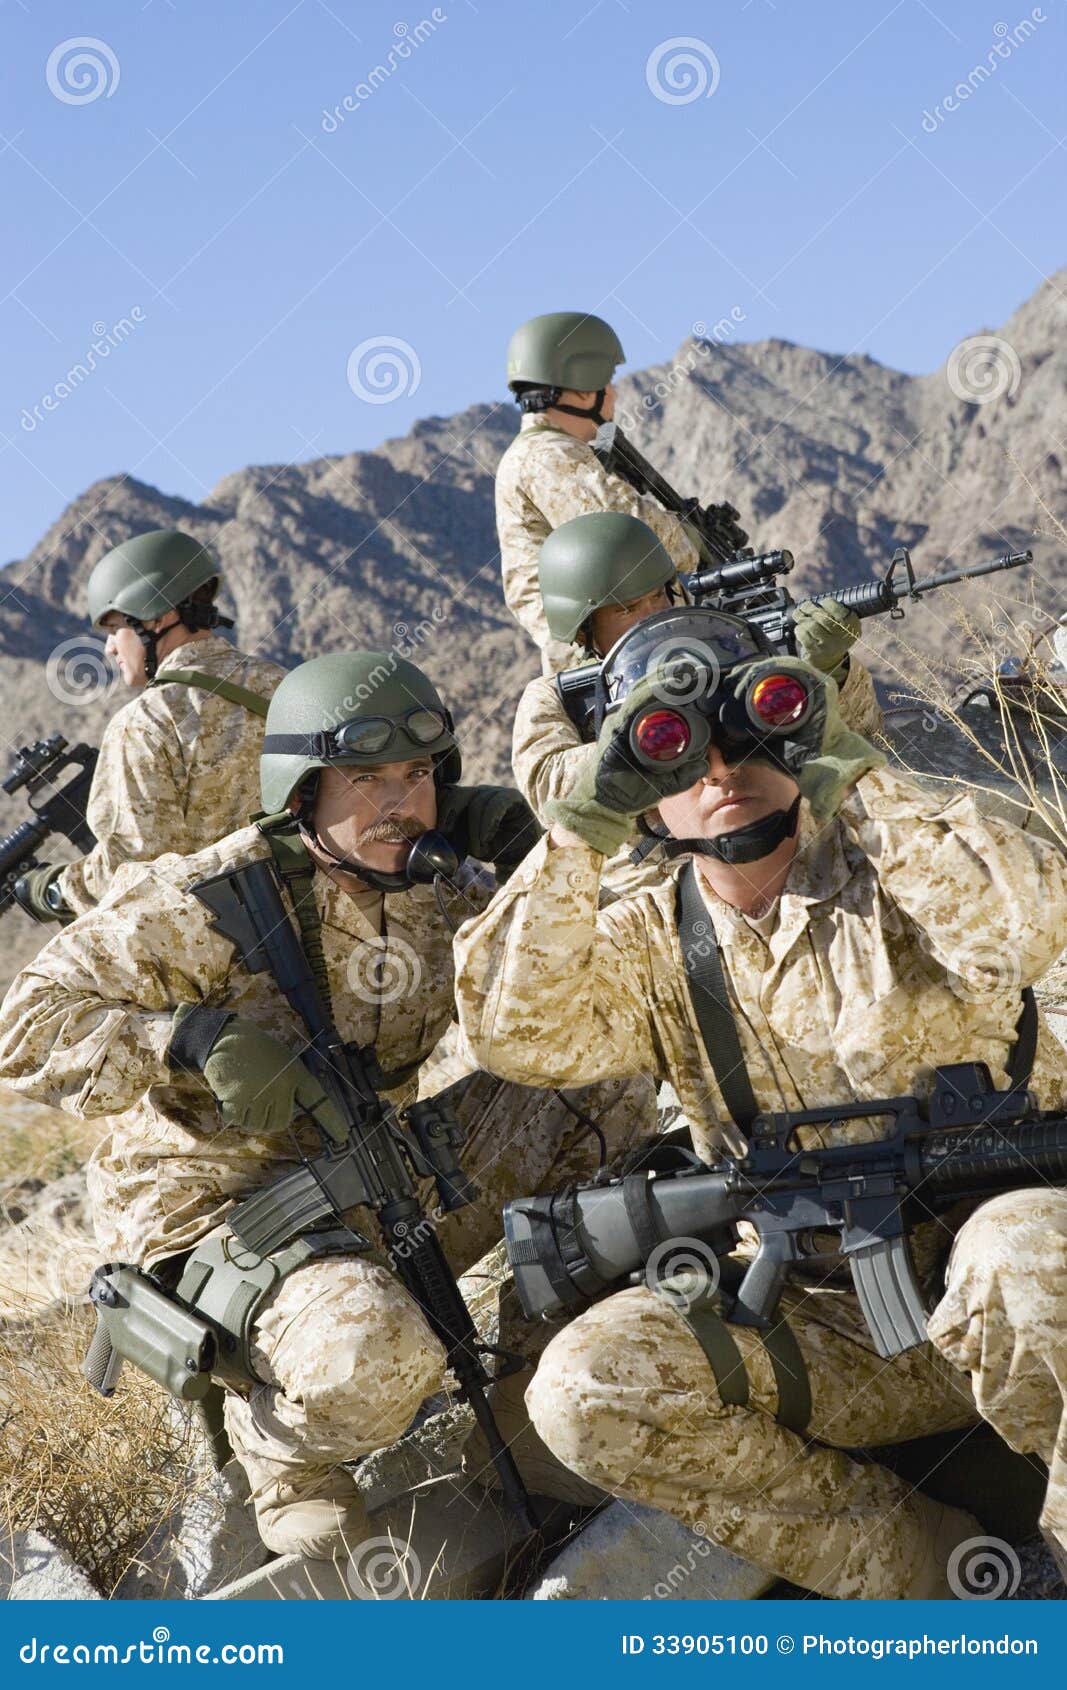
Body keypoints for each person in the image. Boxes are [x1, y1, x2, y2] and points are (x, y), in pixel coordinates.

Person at [453, 606, 1067, 1599]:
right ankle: (952, 1584)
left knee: (1024, 1255)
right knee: (584, 1386)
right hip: (830, 1321)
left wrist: (847, 763)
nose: (715, 770)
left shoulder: (900, 866)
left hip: (1008, 1285)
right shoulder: (654, 938)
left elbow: (1023, 923)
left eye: (747, 734)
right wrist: (585, 821)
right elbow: (509, 1025)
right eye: (673, 752)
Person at [0, 652, 655, 1558]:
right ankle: (281, 1452)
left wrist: (541, 851)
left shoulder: (437, 878)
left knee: (603, 1087)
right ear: (302, 792)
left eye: (418, 775)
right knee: (376, 1363)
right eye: (366, 779)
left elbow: (623, 932)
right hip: (227, 1212)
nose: (400, 802)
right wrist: (187, 1041)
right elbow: (25, 1026)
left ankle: (523, 1404)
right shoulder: (210, 898)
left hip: (374, 1168)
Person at [513, 511, 882, 899]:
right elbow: (548, 790)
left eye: (658, 595)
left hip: (787, 857)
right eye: (627, 608)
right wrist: (658, 733)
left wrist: (828, 672)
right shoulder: (554, 697)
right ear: (584, 627)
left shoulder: (728, 645)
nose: (653, 614)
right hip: (647, 892)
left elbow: (866, 734)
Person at [12, 529, 284, 922]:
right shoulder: (283, 684)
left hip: (224, 957)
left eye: (113, 629)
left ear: (155, 616)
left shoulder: (147, 722)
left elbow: (135, 874)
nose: (108, 648)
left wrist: (51, 890)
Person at [497, 311, 747, 672]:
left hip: (619, 652)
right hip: (608, 660)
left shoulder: (547, 453)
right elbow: (629, 534)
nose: (614, 392)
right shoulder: (548, 456)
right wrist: (694, 541)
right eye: (607, 381)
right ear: (584, 389)